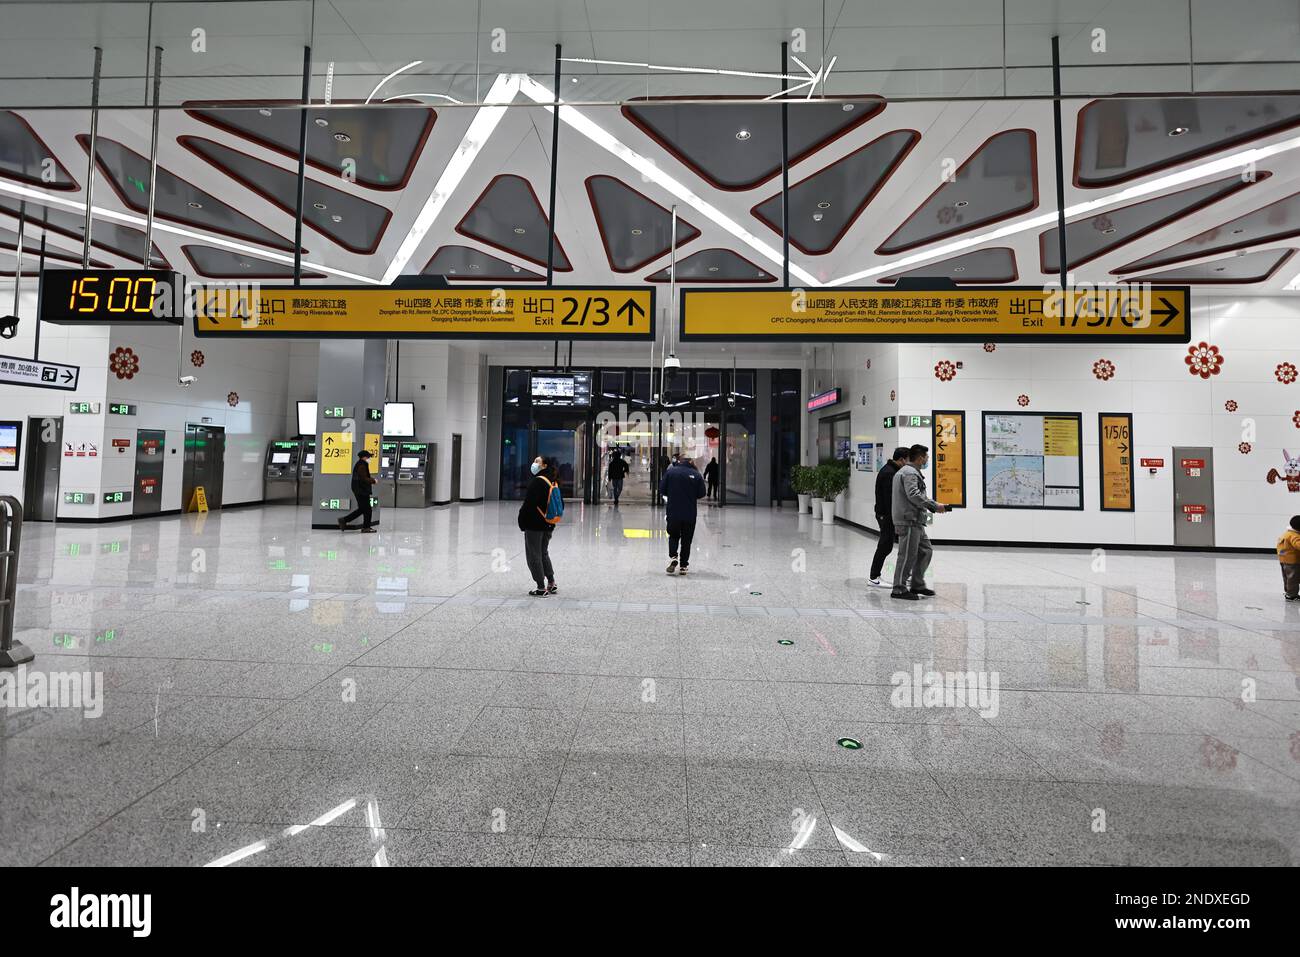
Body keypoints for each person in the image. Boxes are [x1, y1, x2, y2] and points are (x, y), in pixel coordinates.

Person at [890, 444, 946, 600]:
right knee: (907, 555)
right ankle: (899, 588)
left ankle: (917, 584)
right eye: (926, 457)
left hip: (916, 521)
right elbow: (914, 495)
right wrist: (934, 505)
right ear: (920, 457)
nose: (928, 459)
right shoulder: (909, 473)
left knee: (925, 551)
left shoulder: (911, 472)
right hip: (908, 521)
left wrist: (933, 505)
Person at [518, 455, 560, 596]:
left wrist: (521, 521)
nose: (534, 463)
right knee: (543, 553)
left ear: (544, 466)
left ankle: (541, 588)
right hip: (548, 523)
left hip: (534, 525)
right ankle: (551, 582)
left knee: (534, 555)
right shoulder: (552, 480)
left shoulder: (537, 482)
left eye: (537, 462)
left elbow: (528, 505)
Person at [869, 447, 911, 586]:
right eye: (908, 460)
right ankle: (874, 577)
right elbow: (890, 499)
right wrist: (896, 517)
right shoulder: (889, 473)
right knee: (885, 545)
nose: (908, 463)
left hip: (887, 514)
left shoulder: (891, 470)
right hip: (886, 515)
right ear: (901, 459)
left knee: (887, 545)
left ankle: (905, 574)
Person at [659, 453, 706, 575]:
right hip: (689, 513)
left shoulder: (670, 472)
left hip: (673, 511)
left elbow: (662, 489)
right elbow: (701, 494)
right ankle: (683, 566)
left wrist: (673, 493)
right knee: (687, 540)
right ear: (691, 461)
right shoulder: (696, 474)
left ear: (679, 460)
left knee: (673, 535)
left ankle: (673, 557)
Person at [338, 449, 378, 533]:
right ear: (363, 457)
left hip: (359, 489)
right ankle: (365, 527)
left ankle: (344, 520)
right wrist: (373, 480)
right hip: (361, 490)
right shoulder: (361, 465)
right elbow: (363, 478)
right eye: (368, 457)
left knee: (363, 509)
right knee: (367, 509)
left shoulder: (361, 464)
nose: (369, 458)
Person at [1278, 515, 1300, 601]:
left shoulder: (1287, 533)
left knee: (1287, 577)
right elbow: (1298, 545)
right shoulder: (1295, 536)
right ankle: (1291, 595)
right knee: (1293, 578)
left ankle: (1288, 591)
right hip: (1292, 561)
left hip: (1284, 559)